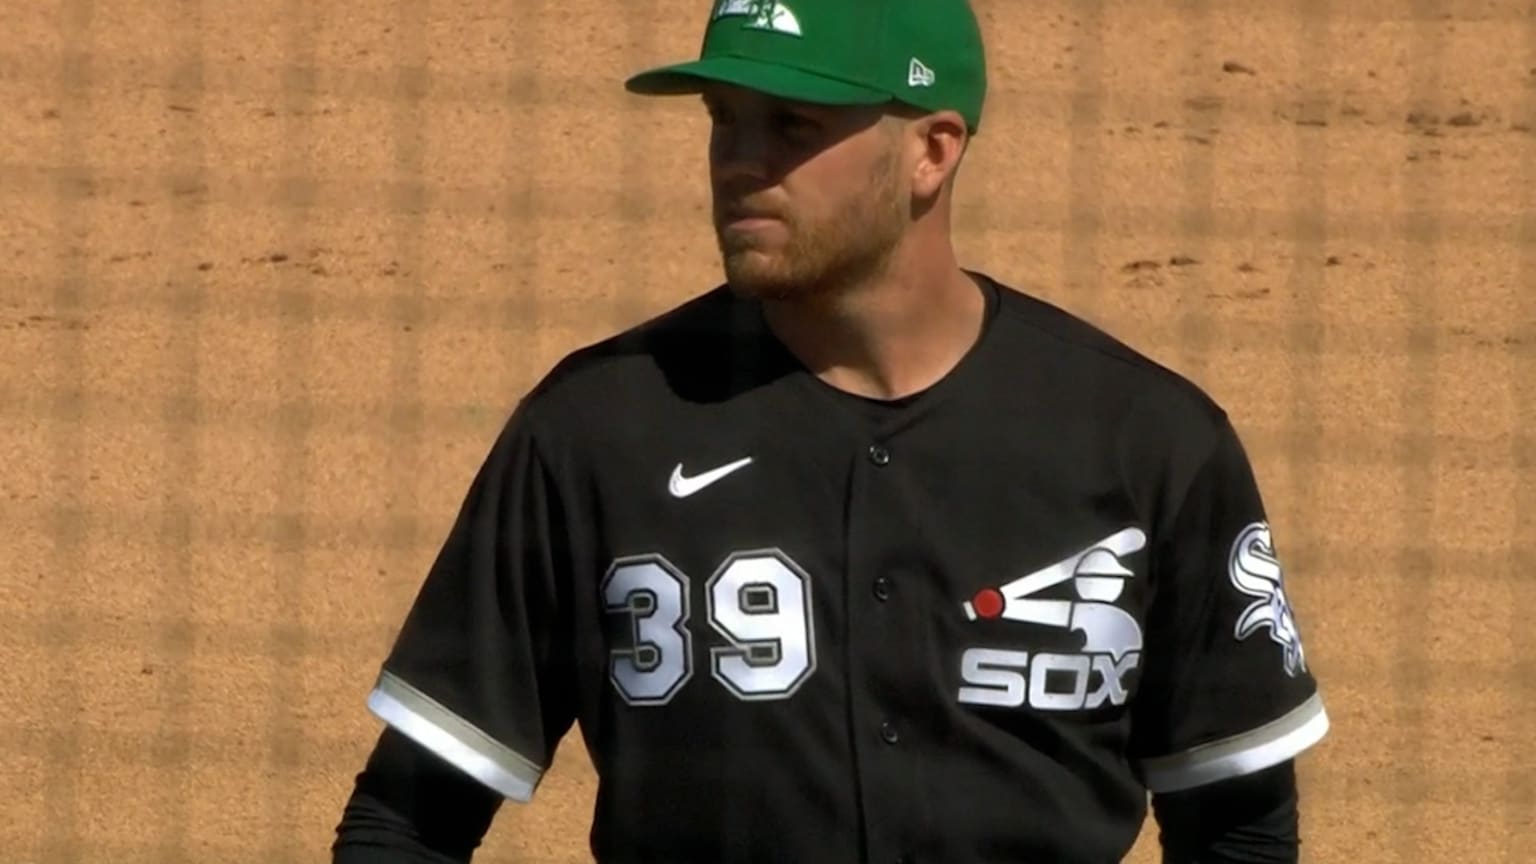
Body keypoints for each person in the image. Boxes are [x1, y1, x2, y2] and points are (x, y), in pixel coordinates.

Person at [331, 0, 1330, 861]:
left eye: (792, 125)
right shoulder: (599, 431)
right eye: (725, 120)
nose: (740, 162)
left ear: (932, 151)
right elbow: (410, 818)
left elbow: (1237, 823)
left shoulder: (1142, 441)